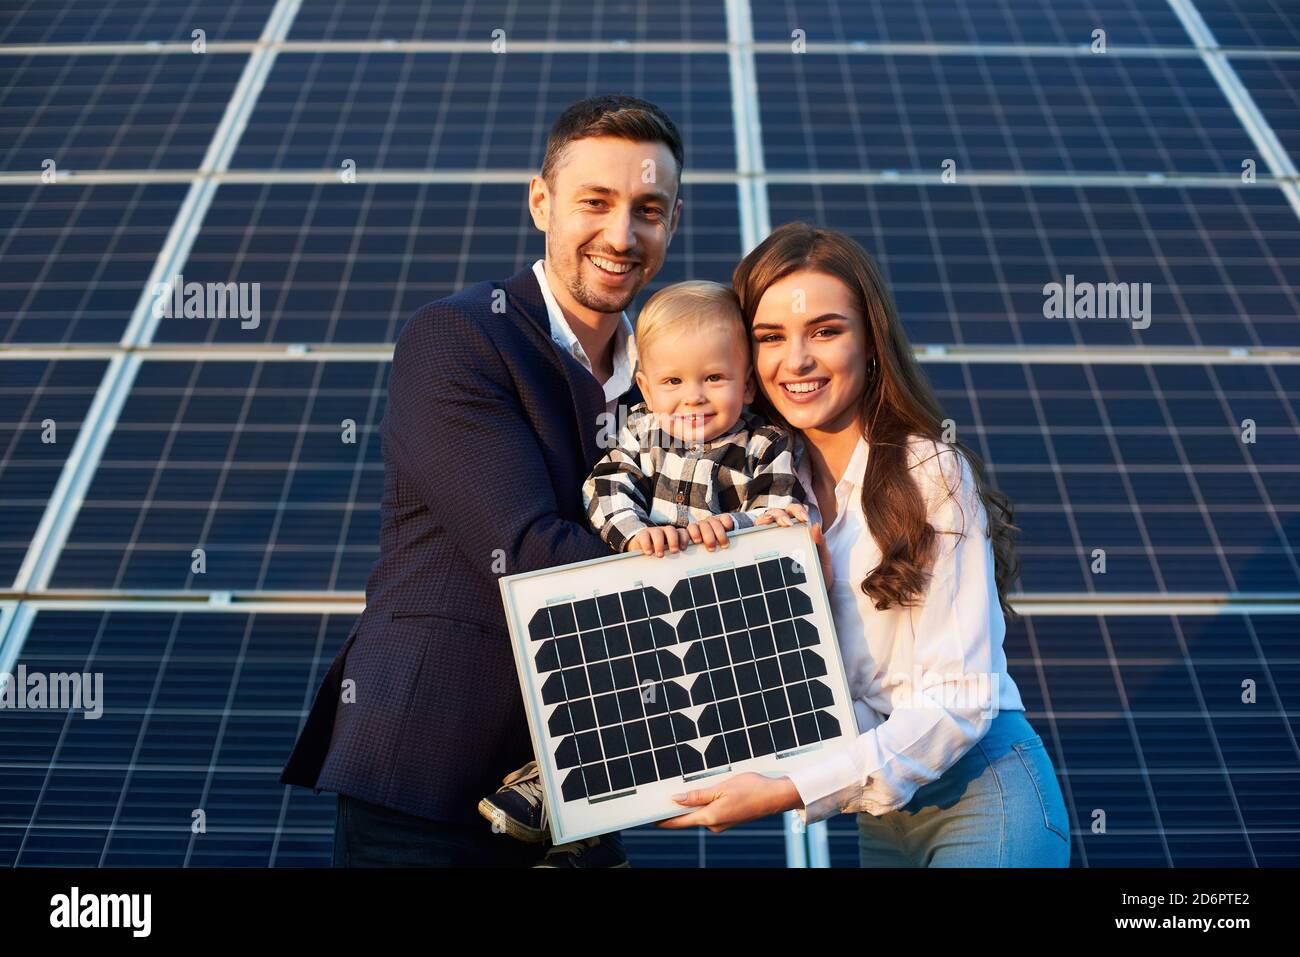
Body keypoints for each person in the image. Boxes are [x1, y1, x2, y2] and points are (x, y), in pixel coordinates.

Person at [279, 94, 686, 868]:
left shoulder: (671, 382)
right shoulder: (460, 338)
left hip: (586, 796)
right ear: (541, 201)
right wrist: (723, 599)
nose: (621, 234)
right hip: (430, 778)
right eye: (594, 203)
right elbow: (526, 544)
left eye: (649, 209)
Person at [657, 222, 1072, 867]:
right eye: (770, 337)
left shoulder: (927, 471)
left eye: (825, 330)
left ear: (871, 342)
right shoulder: (749, 493)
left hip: (982, 794)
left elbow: (961, 700)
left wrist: (787, 789)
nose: (796, 361)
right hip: (880, 819)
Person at [477, 280, 810, 848]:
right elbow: (605, 491)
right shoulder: (641, 433)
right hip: (643, 595)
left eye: (714, 378)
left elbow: (782, 515)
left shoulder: (764, 444)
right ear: (645, 386)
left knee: (701, 707)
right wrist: (637, 537)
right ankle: (557, 788)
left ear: (748, 382)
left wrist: (733, 528)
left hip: (721, 605)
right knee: (597, 680)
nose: (694, 398)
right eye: (674, 382)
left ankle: (624, 795)